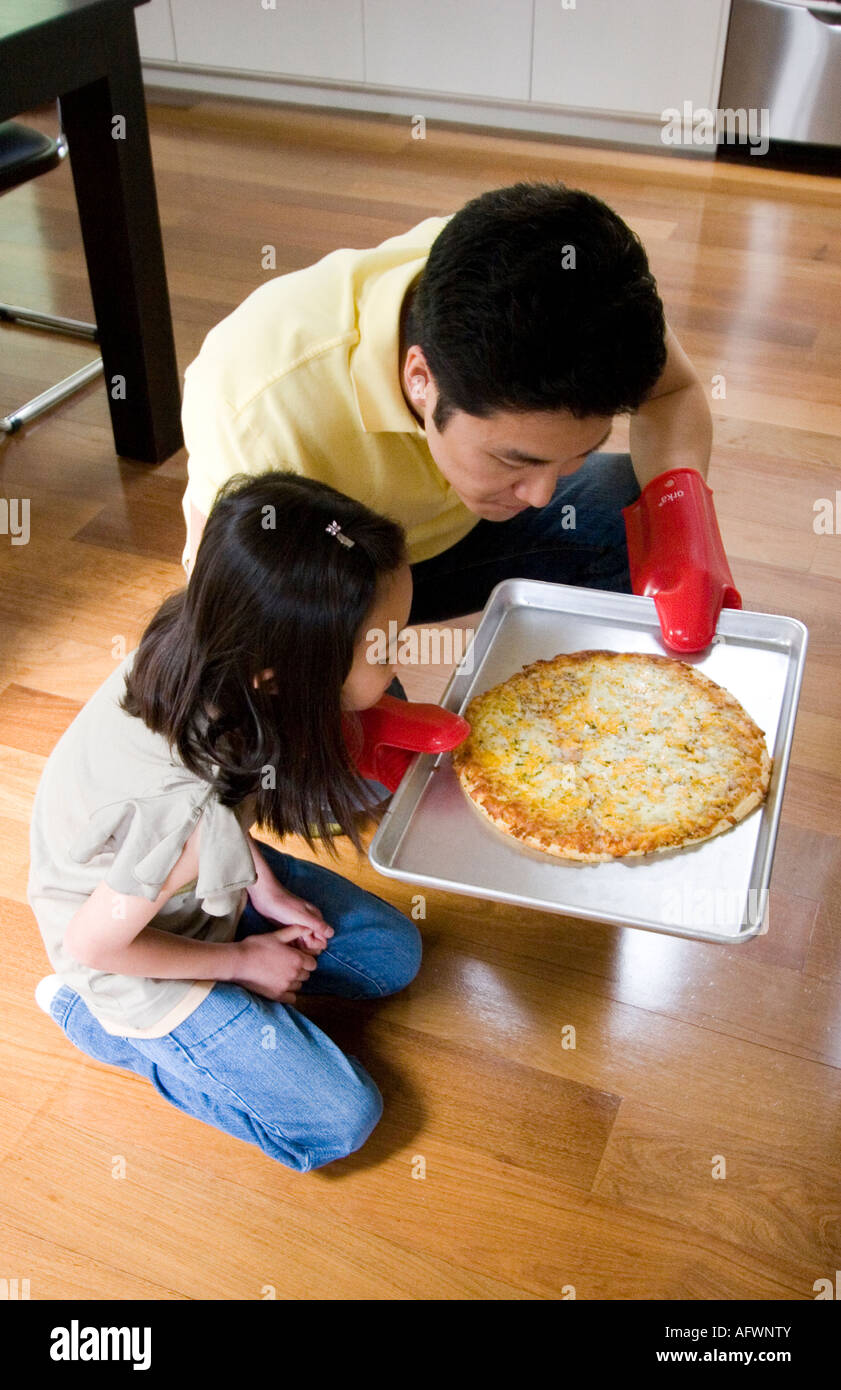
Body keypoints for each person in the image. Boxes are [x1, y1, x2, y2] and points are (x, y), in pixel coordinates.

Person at [28, 472, 423, 1173]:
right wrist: (241, 964)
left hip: (181, 886)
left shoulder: (215, 649)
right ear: (282, 674)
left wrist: (262, 889)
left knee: (393, 955)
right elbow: (97, 941)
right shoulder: (177, 809)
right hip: (119, 952)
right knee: (341, 1122)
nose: (401, 660)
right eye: (385, 651)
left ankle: (240, 990)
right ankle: (92, 1023)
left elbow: (223, 806)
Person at [179, 181, 715, 631]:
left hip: (458, 536)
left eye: (576, 454)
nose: (544, 495)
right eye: (515, 460)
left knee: (635, 513)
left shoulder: (574, 295)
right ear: (420, 380)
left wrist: (683, 537)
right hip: (329, 583)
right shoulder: (257, 408)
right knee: (335, 749)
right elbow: (228, 613)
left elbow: (673, 392)